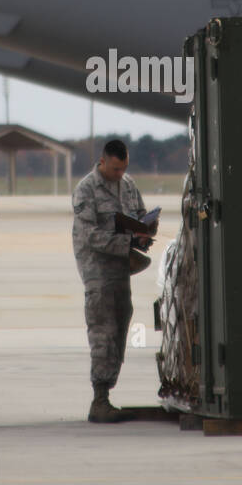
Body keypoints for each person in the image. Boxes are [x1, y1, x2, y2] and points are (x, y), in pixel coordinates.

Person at [72, 139, 152, 423]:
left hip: (121, 268)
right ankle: (99, 399)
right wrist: (127, 239)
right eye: (116, 169)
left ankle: (108, 392)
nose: (120, 174)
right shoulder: (86, 189)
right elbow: (90, 236)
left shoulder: (128, 184)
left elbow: (140, 215)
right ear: (103, 162)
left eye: (124, 168)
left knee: (120, 324)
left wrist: (144, 231)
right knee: (103, 329)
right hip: (98, 271)